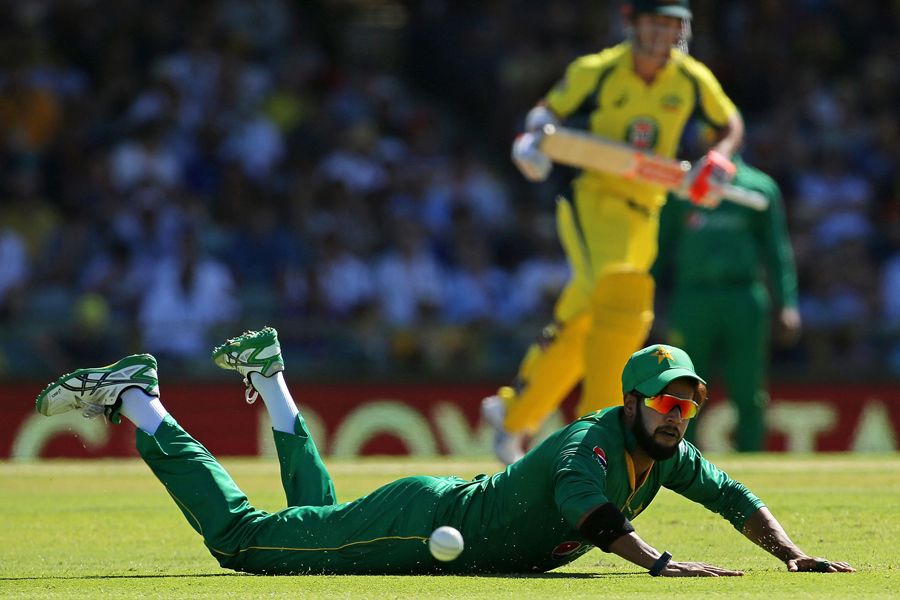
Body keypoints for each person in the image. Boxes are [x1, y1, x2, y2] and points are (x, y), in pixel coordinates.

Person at [35, 327, 853, 576]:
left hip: (437, 516)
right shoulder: (590, 444)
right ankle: (137, 400)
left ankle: (272, 381)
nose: (681, 417)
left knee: (304, 519)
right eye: (668, 403)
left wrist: (790, 553)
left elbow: (734, 495)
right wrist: (659, 564)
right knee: (243, 542)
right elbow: (591, 511)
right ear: (634, 402)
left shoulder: (666, 453)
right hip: (416, 525)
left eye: (688, 404)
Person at [483, 0, 745, 464]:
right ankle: (596, 432)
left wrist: (718, 158)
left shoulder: (689, 78)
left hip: (646, 210)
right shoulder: (598, 70)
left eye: (670, 24)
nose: (662, 34)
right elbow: (548, 111)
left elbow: (729, 123)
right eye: (653, 23)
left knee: (586, 316)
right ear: (632, 23)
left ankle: (513, 413)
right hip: (594, 201)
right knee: (623, 294)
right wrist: (532, 139)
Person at [654, 158, 800, 452]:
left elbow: (777, 250)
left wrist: (787, 303)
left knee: (749, 391)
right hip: (693, 297)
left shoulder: (758, 187)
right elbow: (659, 249)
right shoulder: (680, 187)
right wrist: (648, 301)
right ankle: (678, 465)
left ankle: (752, 467)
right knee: (683, 388)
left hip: (742, 296)